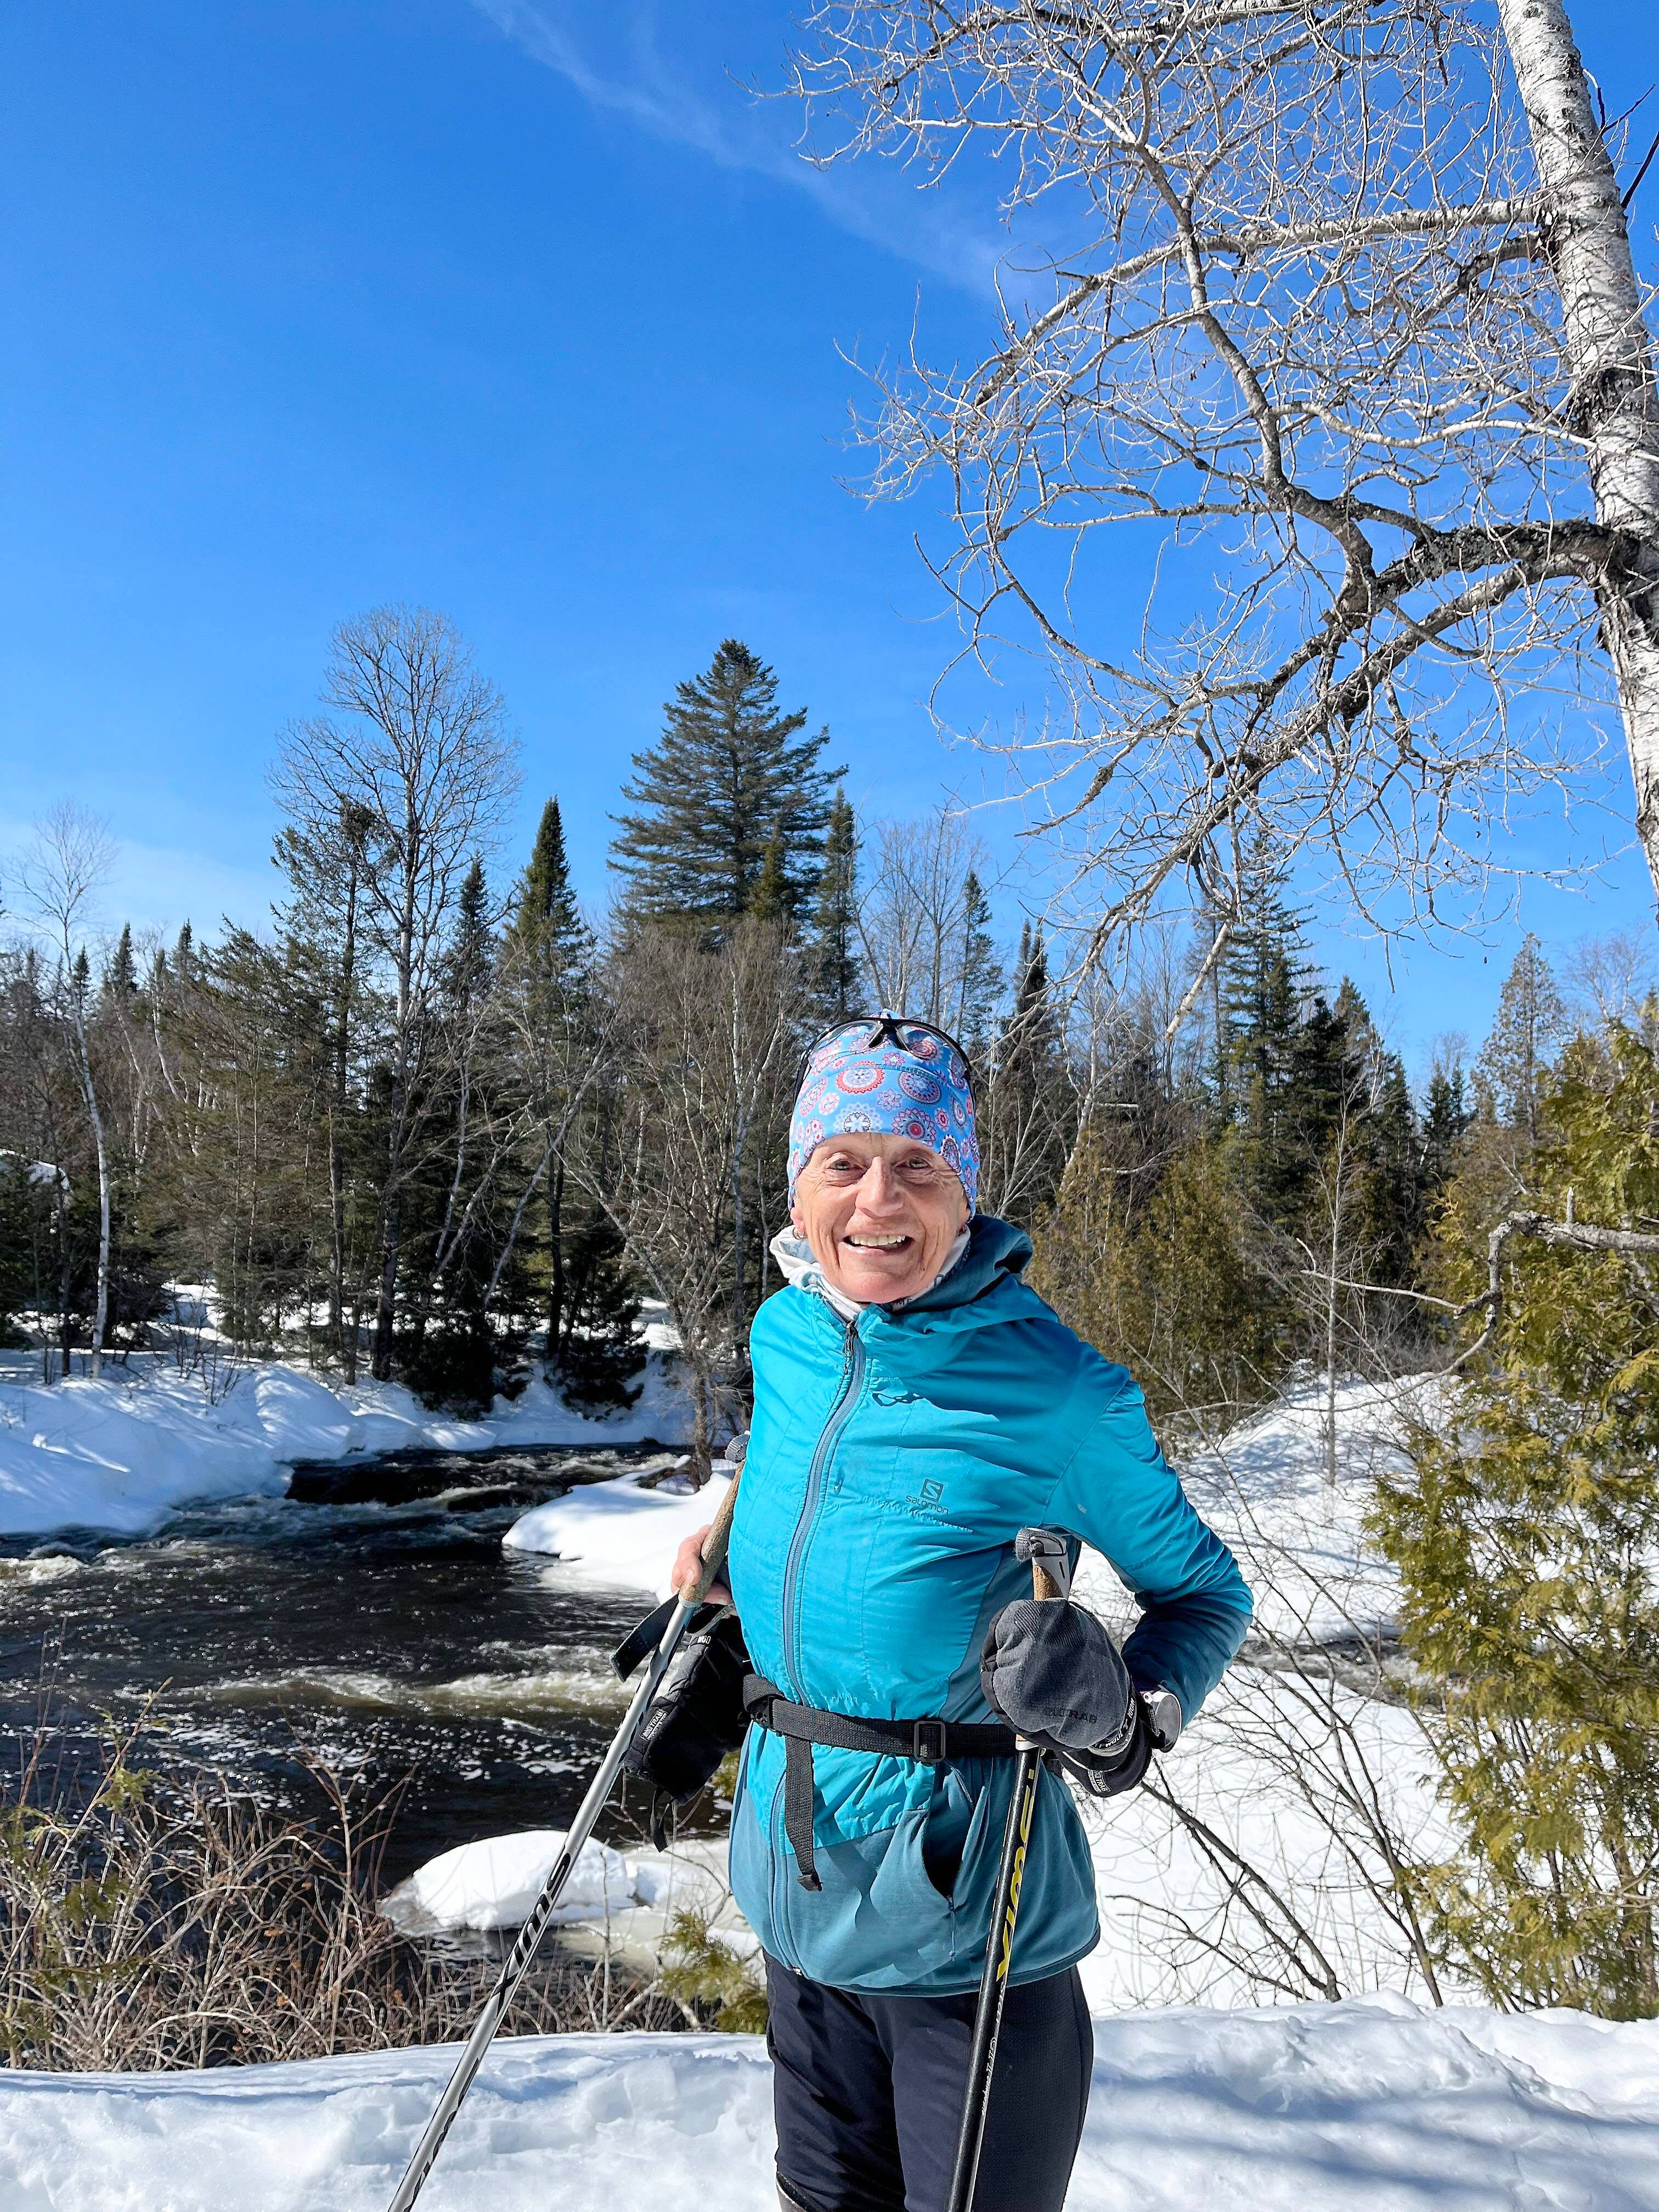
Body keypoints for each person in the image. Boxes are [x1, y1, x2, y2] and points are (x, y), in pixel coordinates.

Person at [672, 1013, 1251, 2212]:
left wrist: (1123, 1715)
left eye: (917, 1165)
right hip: (799, 1903)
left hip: (967, 1941)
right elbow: (809, 1464)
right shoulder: (786, 1332)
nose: (878, 1198)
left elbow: (1206, 1593)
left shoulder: (1059, 1393)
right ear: (801, 1183)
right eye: (844, 1160)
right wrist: (733, 1554)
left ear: (964, 1192)